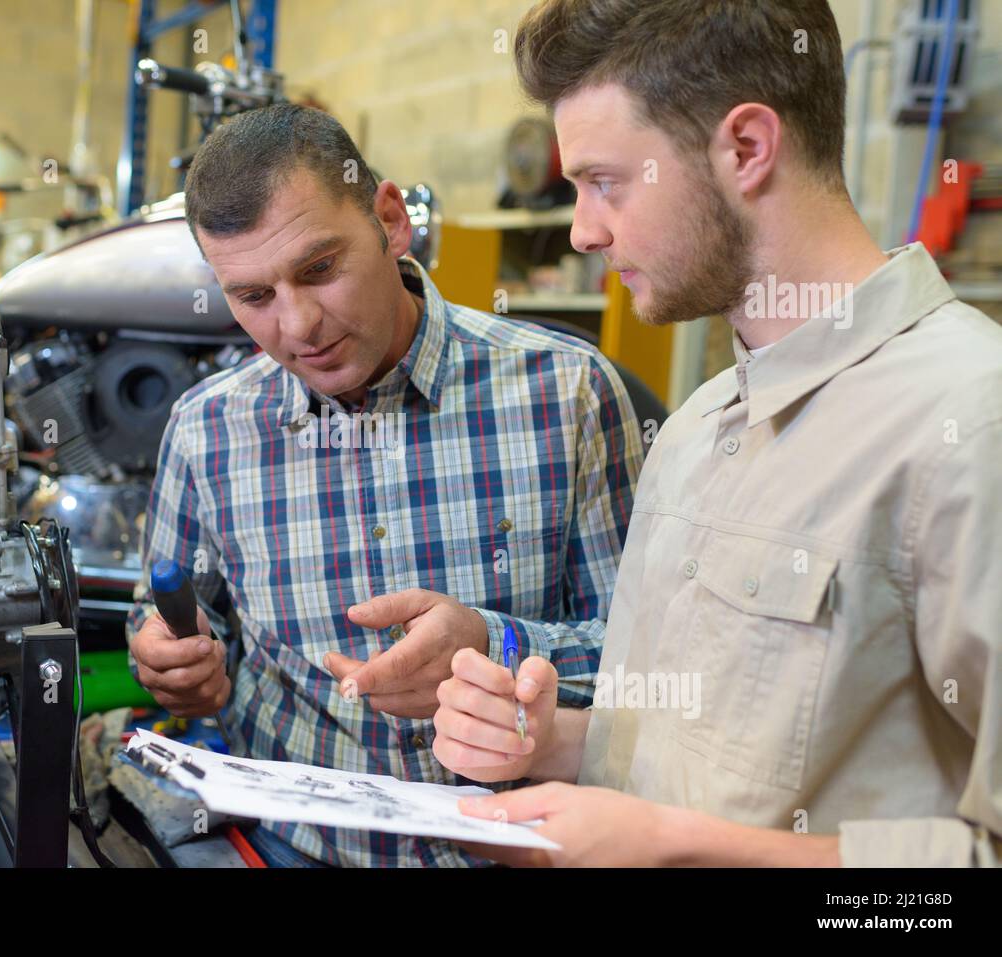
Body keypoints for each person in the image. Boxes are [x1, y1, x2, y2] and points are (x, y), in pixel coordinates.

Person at [434, 0, 1002, 867]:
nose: (584, 229)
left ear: (745, 147)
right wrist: (555, 741)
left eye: (604, 181)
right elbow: (710, 764)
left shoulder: (970, 421)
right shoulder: (695, 427)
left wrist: (676, 848)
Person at [126, 103, 644, 866]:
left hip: (509, 845)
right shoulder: (208, 430)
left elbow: (643, 665)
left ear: (391, 220)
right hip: (290, 843)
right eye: (253, 296)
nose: (297, 325)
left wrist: (497, 645)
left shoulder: (563, 393)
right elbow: (182, 620)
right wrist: (176, 662)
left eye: (318, 268)